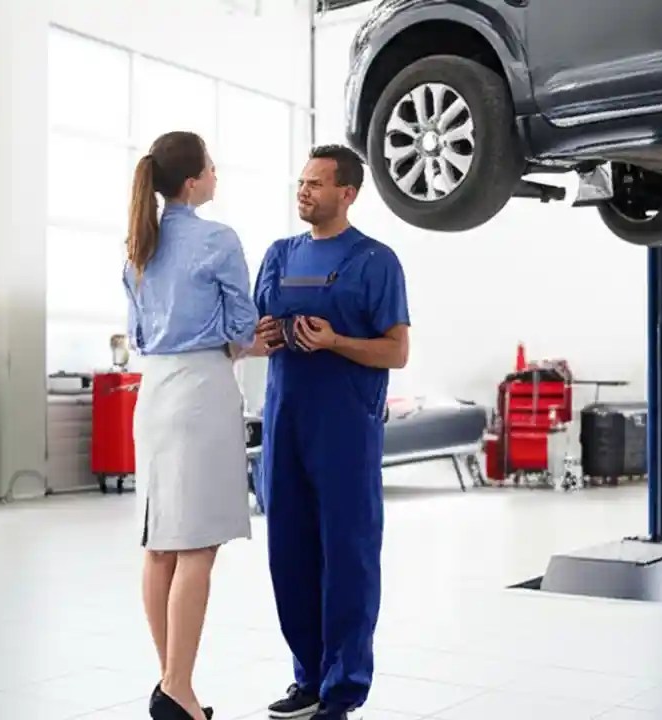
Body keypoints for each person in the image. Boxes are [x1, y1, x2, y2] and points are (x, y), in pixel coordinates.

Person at [246, 145, 410, 720]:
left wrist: (335, 341)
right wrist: (265, 336)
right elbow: (255, 334)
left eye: (316, 183)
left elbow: (397, 350)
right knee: (288, 551)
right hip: (285, 418)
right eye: (301, 181)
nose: (304, 191)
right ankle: (307, 678)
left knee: (348, 554)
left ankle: (343, 688)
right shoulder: (277, 255)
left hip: (346, 425)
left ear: (347, 193)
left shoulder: (375, 260)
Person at [123, 130, 258, 720]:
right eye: (212, 165)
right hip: (201, 393)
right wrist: (240, 342)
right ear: (193, 180)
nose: (217, 173)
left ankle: (174, 685)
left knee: (159, 547)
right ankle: (178, 688)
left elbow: (136, 337)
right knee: (198, 546)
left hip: (153, 393)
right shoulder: (217, 239)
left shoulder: (138, 246)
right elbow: (244, 328)